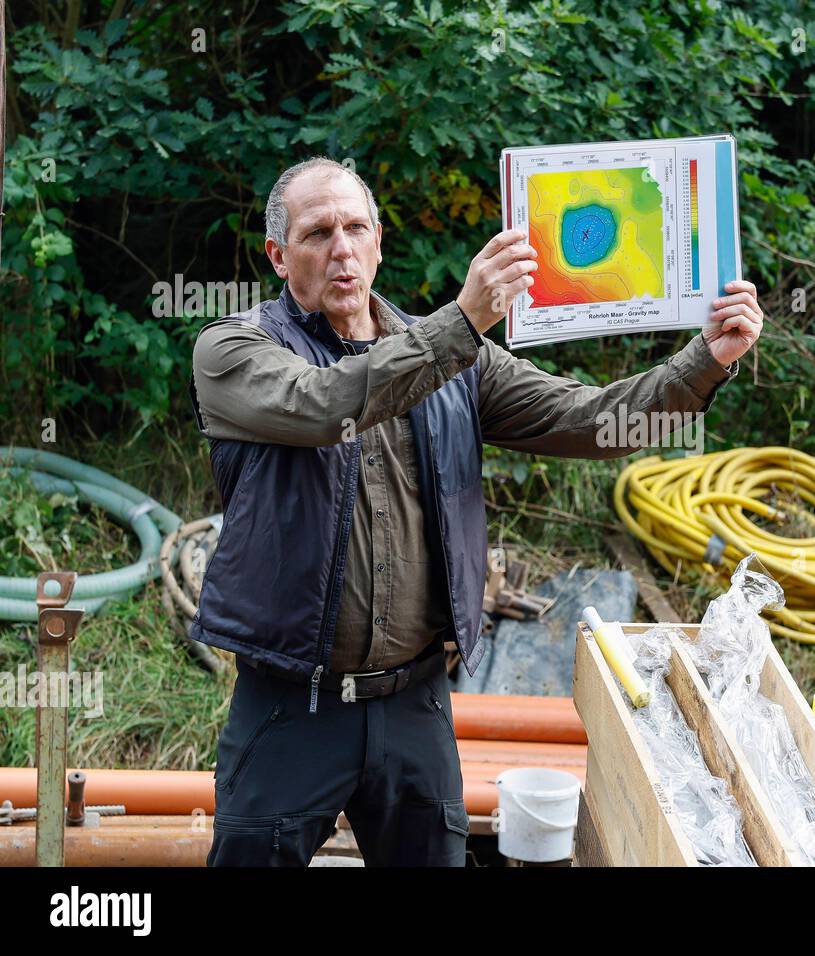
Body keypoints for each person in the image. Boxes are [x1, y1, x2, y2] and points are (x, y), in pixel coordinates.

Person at [190, 156, 764, 865]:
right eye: (316, 233)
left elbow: (588, 419)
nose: (340, 248)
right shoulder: (233, 349)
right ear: (278, 255)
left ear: (379, 243)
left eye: (355, 228)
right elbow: (323, 405)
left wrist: (704, 361)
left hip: (414, 698)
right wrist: (462, 322)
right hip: (290, 702)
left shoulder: (458, 358)